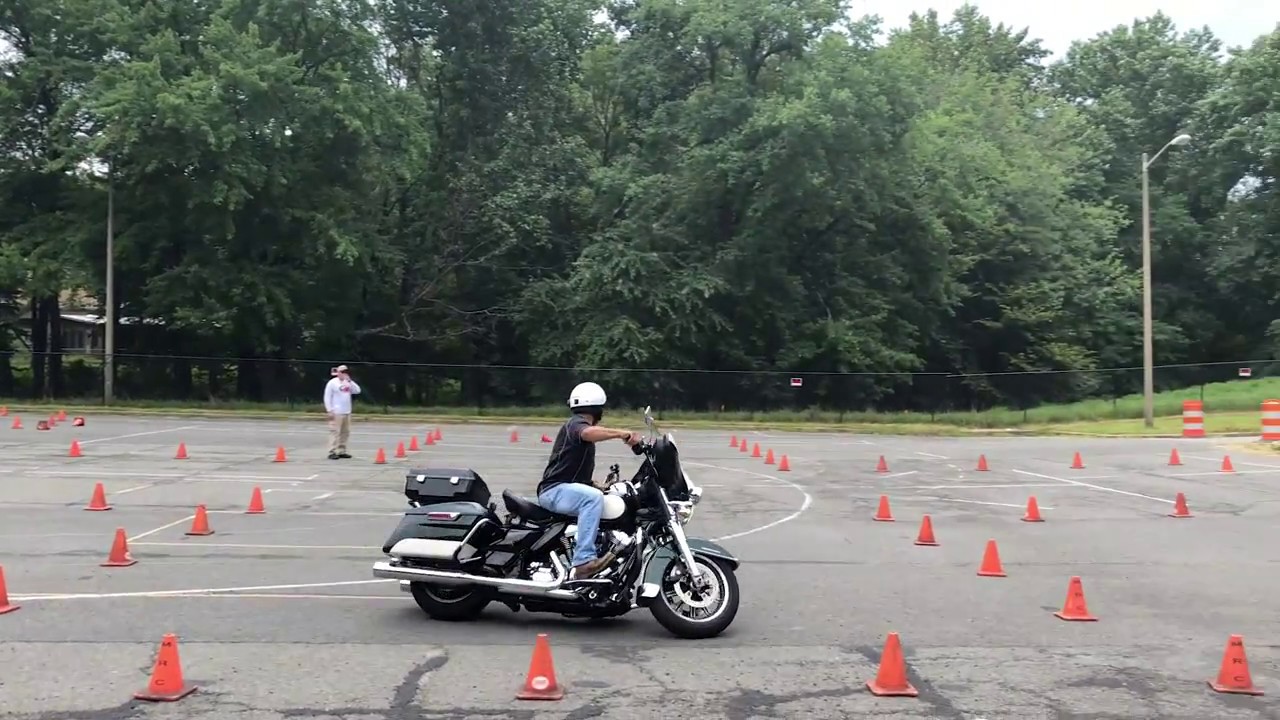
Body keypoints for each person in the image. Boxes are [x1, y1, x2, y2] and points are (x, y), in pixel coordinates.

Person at [537, 381, 639, 579]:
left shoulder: (577, 427)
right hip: (553, 490)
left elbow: (572, 471)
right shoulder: (576, 424)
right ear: (595, 408)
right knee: (591, 499)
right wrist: (622, 433)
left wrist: (597, 485)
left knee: (599, 495)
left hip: (561, 489)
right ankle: (584, 561)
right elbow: (586, 433)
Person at [323, 364, 362, 459]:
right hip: (336, 412)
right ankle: (332, 451)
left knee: (345, 432)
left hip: (347, 411)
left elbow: (357, 391)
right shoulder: (332, 383)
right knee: (335, 432)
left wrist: (350, 381)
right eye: (342, 372)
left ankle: (341, 450)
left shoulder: (348, 383)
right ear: (338, 373)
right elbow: (327, 397)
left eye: (346, 372)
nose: (344, 374)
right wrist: (329, 410)